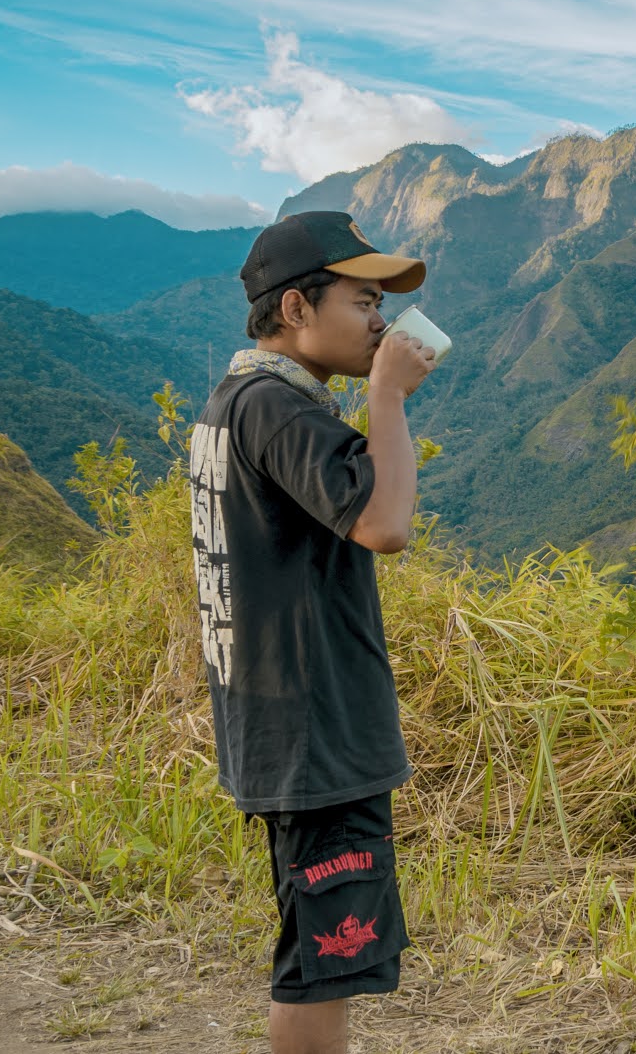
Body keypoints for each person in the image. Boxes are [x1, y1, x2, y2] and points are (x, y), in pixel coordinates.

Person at [186, 210, 439, 1054]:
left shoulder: (241, 401)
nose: (380, 321)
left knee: (319, 946)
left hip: (288, 732)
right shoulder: (276, 408)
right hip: (316, 737)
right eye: (364, 300)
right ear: (296, 308)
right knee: (324, 958)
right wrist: (387, 395)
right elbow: (384, 523)